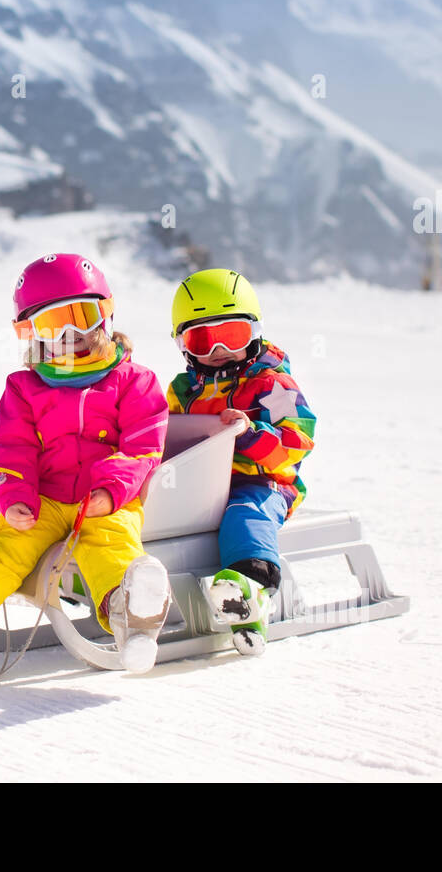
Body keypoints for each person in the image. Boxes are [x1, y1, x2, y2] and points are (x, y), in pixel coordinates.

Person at [0, 253, 172, 674]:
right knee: (5, 545)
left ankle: (129, 612)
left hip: (104, 503)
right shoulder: (24, 388)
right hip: (43, 500)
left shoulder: (135, 382)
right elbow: (10, 446)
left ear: (103, 315)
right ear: (31, 333)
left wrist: (110, 492)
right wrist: (15, 497)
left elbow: (143, 446)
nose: (68, 334)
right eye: (52, 324)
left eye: (79, 317)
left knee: (110, 546)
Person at [165, 268, 316, 655]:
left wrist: (251, 434)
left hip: (265, 485)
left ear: (254, 332)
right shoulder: (183, 392)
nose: (218, 351)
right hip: (199, 487)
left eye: (231, 335)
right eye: (202, 340)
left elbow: (297, 442)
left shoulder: (271, 384)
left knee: (243, 513)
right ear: (184, 346)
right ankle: (124, 586)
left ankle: (251, 589)